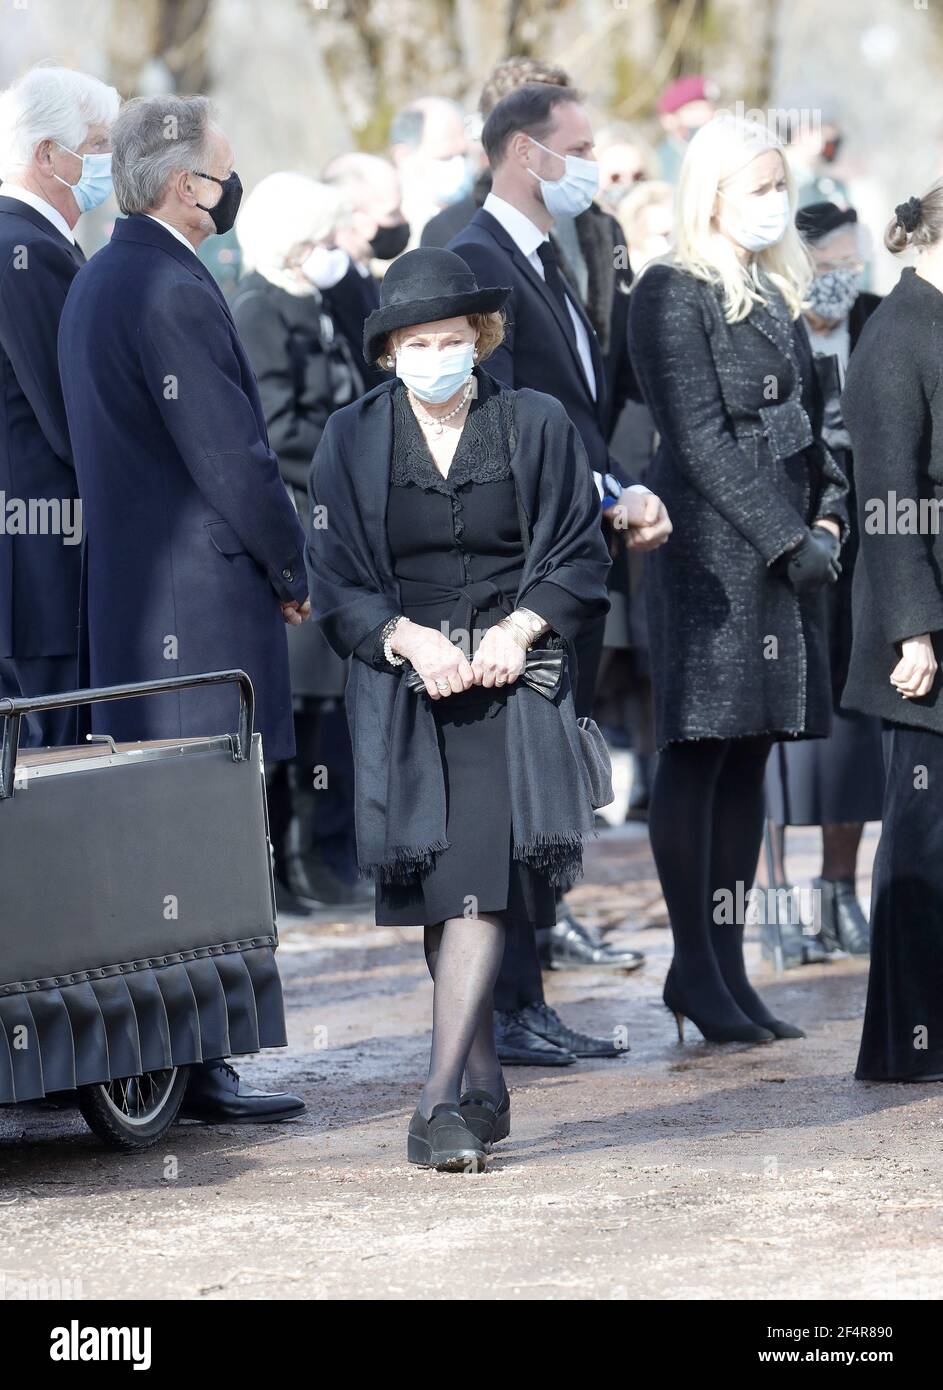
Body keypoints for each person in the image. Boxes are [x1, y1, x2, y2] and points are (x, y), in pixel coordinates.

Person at [307, 248, 612, 1170]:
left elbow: (578, 554)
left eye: (451, 338)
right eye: (416, 341)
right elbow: (337, 584)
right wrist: (407, 638)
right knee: (442, 890)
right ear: (389, 350)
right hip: (405, 687)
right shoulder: (349, 438)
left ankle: (437, 1101)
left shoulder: (536, 423)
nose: (436, 353)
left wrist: (519, 629)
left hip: (511, 685)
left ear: (479, 340)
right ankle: (486, 1086)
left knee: (478, 881)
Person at [58, 94, 308, 1124]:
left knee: (179, 838)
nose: (231, 187)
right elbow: (234, 456)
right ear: (182, 184)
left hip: (140, 599)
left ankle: (189, 1053)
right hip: (196, 609)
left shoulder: (108, 275)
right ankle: (202, 1059)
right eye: (223, 168)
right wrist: (292, 565)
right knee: (206, 838)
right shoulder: (163, 283)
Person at [449, 81, 671, 1016]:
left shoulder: (552, 254)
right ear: (523, 153)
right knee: (519, 788)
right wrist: (592, 494)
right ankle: (509, 1009)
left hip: (573, 544)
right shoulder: (473, 255)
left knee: (549, 787)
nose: (587, 162)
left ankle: (532, 1002)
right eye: (574, 146)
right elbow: (497, 419)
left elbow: (576, 407)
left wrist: (615, 488)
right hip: (519, 564)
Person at [628, 114, 848, 1043]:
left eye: (777, 187)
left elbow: (807, 414)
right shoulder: (669, 291)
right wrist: (782, 535)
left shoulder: (769, 288)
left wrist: (829, 513)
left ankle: (727, 970)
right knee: (698, 754)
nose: (772, 204)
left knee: (751, 754)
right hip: (708, 559)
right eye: (756, 187)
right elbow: (698, 440)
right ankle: (696, 967)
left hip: (784, 548)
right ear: (710, 192)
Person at [232, 171, 369, 911]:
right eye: (319, 239)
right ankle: (287, 862)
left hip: (334, 522)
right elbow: (277, 428)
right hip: (300, 519)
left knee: (330, 708)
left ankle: (323, 855)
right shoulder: (259, 310)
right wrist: (353, 455)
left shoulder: (314, 303)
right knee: (300, 707)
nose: (332, 251)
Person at [762, 201, 884, 963]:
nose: (841, 280)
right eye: (827, 266)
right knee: (777, 729)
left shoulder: (879, 321)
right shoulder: (768, 324)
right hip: (787, 549)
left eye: (850, 263)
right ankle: (771, 900)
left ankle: (840, 891)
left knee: (856, 727)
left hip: (874, 549)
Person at [842, 184, 943, 1082]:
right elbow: (884, 494)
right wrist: (914, 630)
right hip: (923, 628)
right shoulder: (898, 333)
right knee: (922, 832)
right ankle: (908, 1043)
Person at [0, 65, 119, 747]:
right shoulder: (25, 246)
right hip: (37, 568)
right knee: (46, 773)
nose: (106, 160)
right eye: (96, 143)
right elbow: (69, 415)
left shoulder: (38, 242)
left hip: (32, 554)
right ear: (48, 153)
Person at [321, 151, 408, 390]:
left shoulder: (364, 277)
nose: (401, 220)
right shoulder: (338, 292)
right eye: (392, 213)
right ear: (354, 216)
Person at [388, 97, 471, 246]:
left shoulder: (476, 213)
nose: (460, 165)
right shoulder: (394, 234)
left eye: (464, 155)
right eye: (446, 158)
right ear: (403, 156)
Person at [654, 75, 719, 184]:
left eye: (709, 108)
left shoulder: (719, 154)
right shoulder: (657, 163)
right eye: (693, 109)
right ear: (669, 119)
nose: (706, 116)